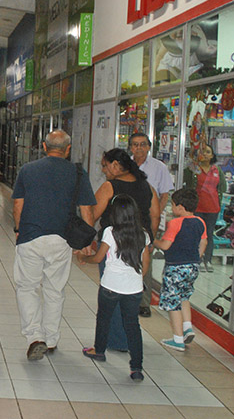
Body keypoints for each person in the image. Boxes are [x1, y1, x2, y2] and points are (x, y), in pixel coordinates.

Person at [12, 130, 96, 360]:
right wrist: (88, 242)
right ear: (68, 149)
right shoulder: (77, 172)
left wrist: (19, 229)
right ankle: (50, 339)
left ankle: (34, 337)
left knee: (27, 287)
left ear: (43, 146)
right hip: (61, 238)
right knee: (54, 289)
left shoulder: (28, 170)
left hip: (30, 236)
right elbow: (86, 208)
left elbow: (18, 204)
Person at [76, 194, 150, 381]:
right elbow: (145, 266)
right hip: (133, 290)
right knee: (132, 326)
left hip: (110, 287)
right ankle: (136, 368)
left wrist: (83, 258)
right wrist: (134, 280)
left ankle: (99, 351)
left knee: (104, 319)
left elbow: (99, 258)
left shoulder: (110, 231)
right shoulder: (143, 234)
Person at [94, 149, 160, 322]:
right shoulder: (147, 186)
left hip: (112, 245)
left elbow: (92, 214)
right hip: (139, 244)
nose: (103, 170)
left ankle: (115, 338)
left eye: (104, 166)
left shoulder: (110, 187)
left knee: (111, 291)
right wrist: (150, 240)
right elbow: (155, 215)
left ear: (115, 165)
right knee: (132, 292)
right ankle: (129, 336)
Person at [153, 188, 207, 351]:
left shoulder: (175, 223)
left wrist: (153, 241)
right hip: (192, 266)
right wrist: (195, 258)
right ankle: (187, 328)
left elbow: (165, 245)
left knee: (173, 303)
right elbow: (203, 243)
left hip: (175, 266)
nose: (172, 208)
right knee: (184, 297)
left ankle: (177, 339)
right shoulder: (200, 222)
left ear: (181, 207)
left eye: (173, 205)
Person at [129, 132, 174, 316]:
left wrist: (156, 213)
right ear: (130, 147)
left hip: (149, 219)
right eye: (135, 145)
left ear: (148, 147)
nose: (138, 148)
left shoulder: (159, 167)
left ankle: (144, 302)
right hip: (127, 218)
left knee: (145, 256)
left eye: (142, 145)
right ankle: (127, 296)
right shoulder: (125, 166)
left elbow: (165, 194)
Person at [184, 143, 226, 272]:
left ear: (212, 155)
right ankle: (197, 259)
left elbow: (222, 187)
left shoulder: (217, 170)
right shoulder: (193, 170)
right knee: (197, 234)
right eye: (202, 152)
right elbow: (187, 186)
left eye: (208, 152)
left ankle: (208, 259)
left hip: (212, 208)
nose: (205, 154)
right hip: (197, 207)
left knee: (209, 234)